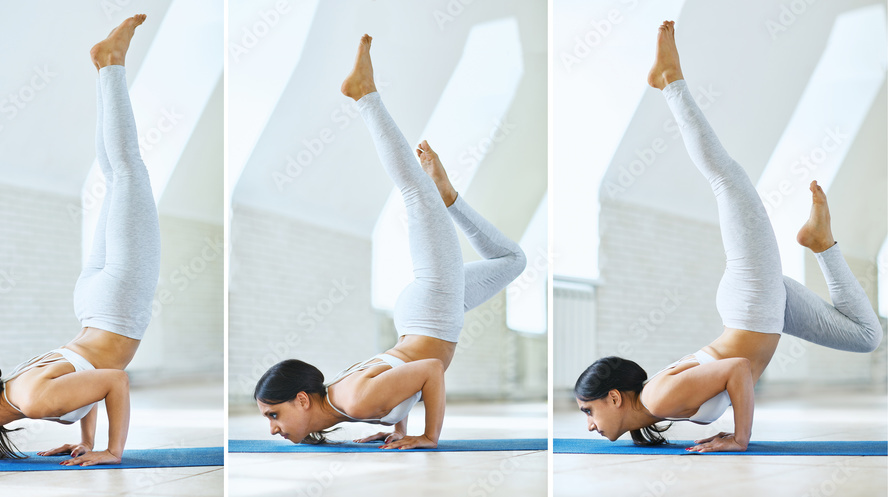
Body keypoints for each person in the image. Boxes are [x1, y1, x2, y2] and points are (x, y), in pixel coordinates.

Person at [575, 21, 883, 453]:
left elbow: (738, 367)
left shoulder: (659, 398)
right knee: (866, 337)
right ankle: (822, 244)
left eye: (588, 410)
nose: (588, 423)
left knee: (728, 180)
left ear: (613, 398)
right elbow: (733, 369)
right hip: (764, 311)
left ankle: (670, 82)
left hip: (752, 306)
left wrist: (740, 438)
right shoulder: (660, 403)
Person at [254, 34, 527, 450]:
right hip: (426, 314)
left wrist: (428, 437)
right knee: (512, 260)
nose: (273, 427)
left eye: (274, 414)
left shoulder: (357, 401)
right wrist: (397, 427)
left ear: (302, 400)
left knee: (417, 193)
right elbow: (407, 377)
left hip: (432, 312)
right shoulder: (351, 402)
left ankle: (365, 96)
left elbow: (431, 369)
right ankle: (449, 199)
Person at [0, 14, 161, 466]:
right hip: (94, 304)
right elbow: (94, 381)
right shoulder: (18, 388)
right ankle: (106, 67)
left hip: (115, 306)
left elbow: (116, 380)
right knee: (119, 177)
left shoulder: (32, 401)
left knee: (127, 172)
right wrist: (87, 443)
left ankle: (110, 65)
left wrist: (112, 452)